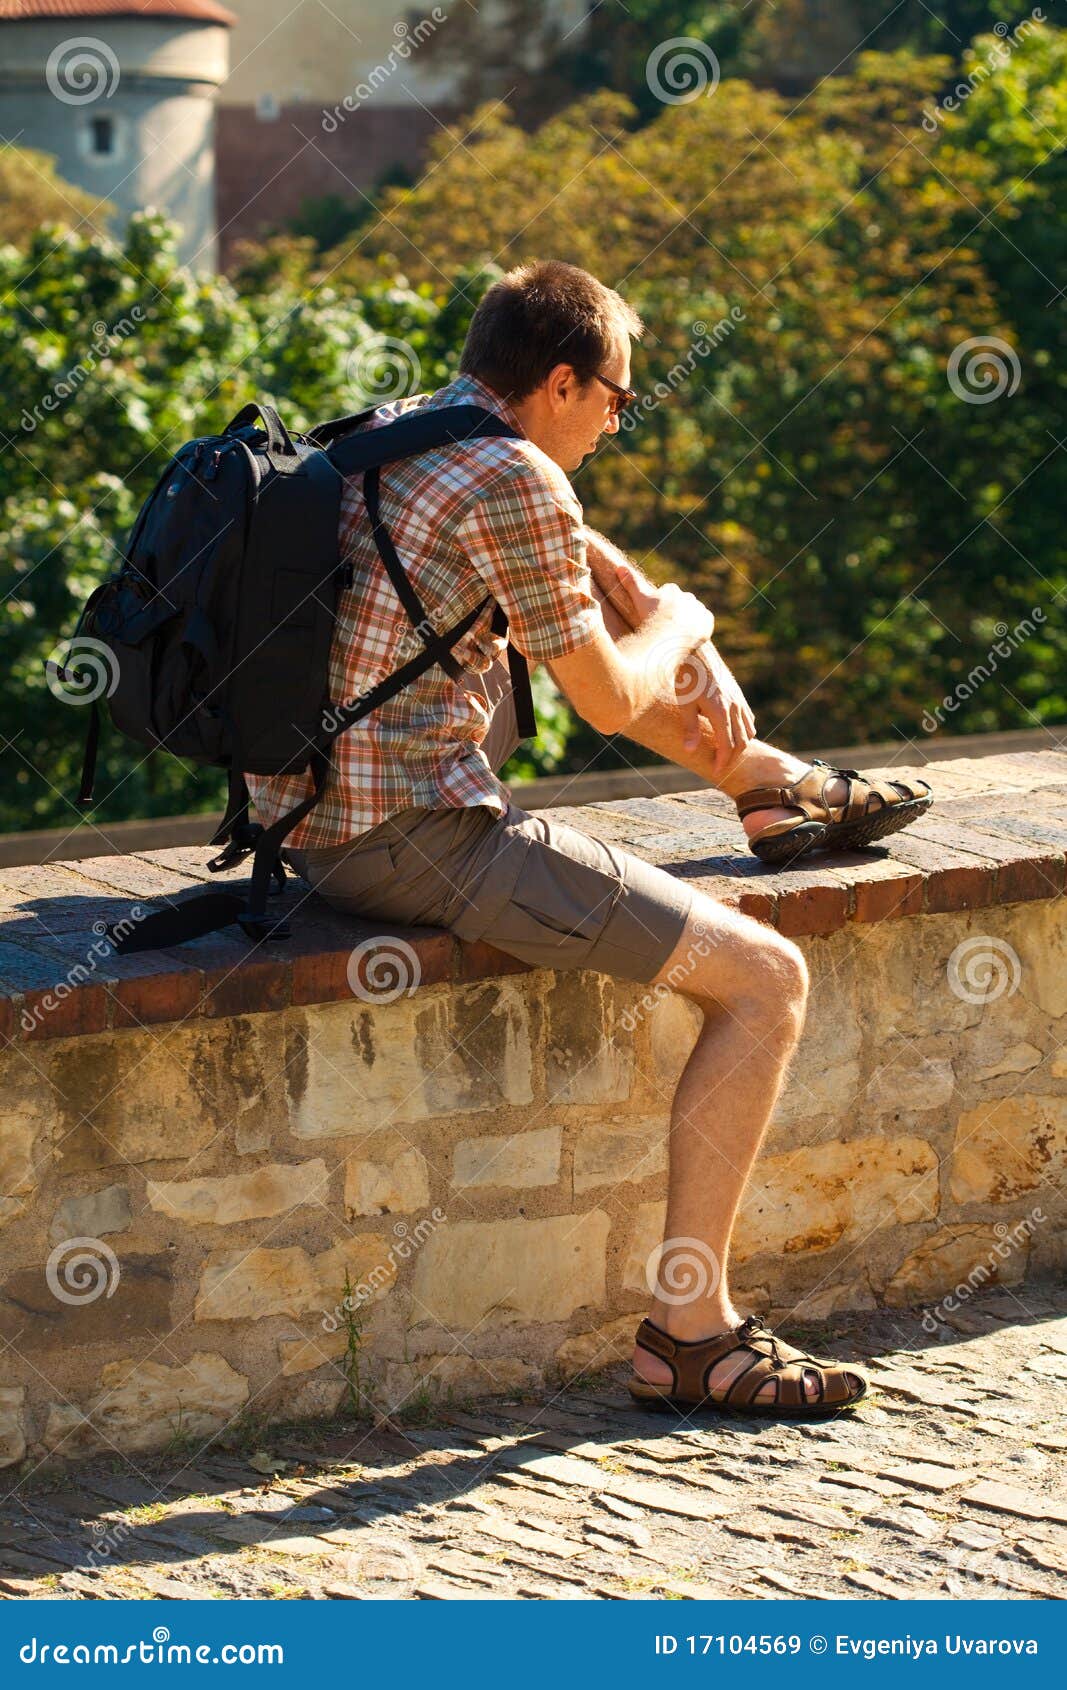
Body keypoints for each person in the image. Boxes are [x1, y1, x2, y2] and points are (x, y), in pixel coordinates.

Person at [247, 259, 932, 1417]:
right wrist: (680, 617)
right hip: (410, 837)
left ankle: (764, 785)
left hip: (314, 806)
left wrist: (609, 568)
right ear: (560, 383)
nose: (621, 418)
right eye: (616, 397)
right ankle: (690, 1331)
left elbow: (550, 553)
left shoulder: (413, 424)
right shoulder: (516, 480)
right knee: (767, 980)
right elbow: (606, 702)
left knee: (571, 634)